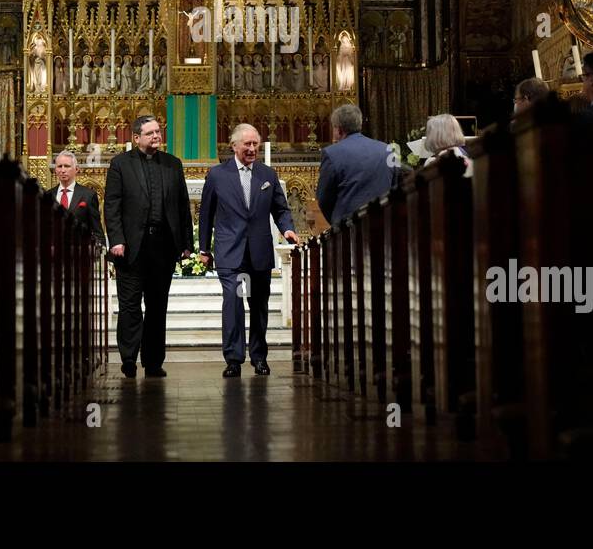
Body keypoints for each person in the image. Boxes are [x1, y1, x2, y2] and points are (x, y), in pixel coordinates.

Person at [198, 124, 299, 377]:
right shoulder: (217, 175)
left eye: (256, 144)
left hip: (259, 251)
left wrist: (287, 229)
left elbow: (280, 209)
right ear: (234, 146)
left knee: (259, 305)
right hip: (230, 251)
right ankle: (233, 358)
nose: (252, 149)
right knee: (232, 301)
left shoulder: (267, 174)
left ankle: (259, 356)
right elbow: (206, 214)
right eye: (247, 145)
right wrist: (203, 249)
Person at [104, 116, 193, 378]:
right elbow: (112, 205)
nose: (157, 136)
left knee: (157, 306)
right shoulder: (121, 164)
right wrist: (117, 240)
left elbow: (182, 207)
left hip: (162, 246)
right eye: (150, 132)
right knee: (130, 305)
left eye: (158, 131)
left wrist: (186, 244)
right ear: (136, 138)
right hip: (131, 248)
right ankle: (129, 359)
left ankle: (153, 362)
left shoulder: (172, 164)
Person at [317, 104, 395, 228]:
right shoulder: (386, 149)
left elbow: (324, 198)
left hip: (347, 228)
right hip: (383, 223)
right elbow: (394, 186)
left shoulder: (332, 153)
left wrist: (337, 222)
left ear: (339, 130)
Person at [47, 151, 102, 242]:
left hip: (79, 251)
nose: (63, 170)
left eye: (67, 166)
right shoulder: (48, 195)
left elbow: (97, 231)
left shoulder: (88, 195)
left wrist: (100, 253)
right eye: (59, 166)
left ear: (76, 169)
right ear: (55, 170)